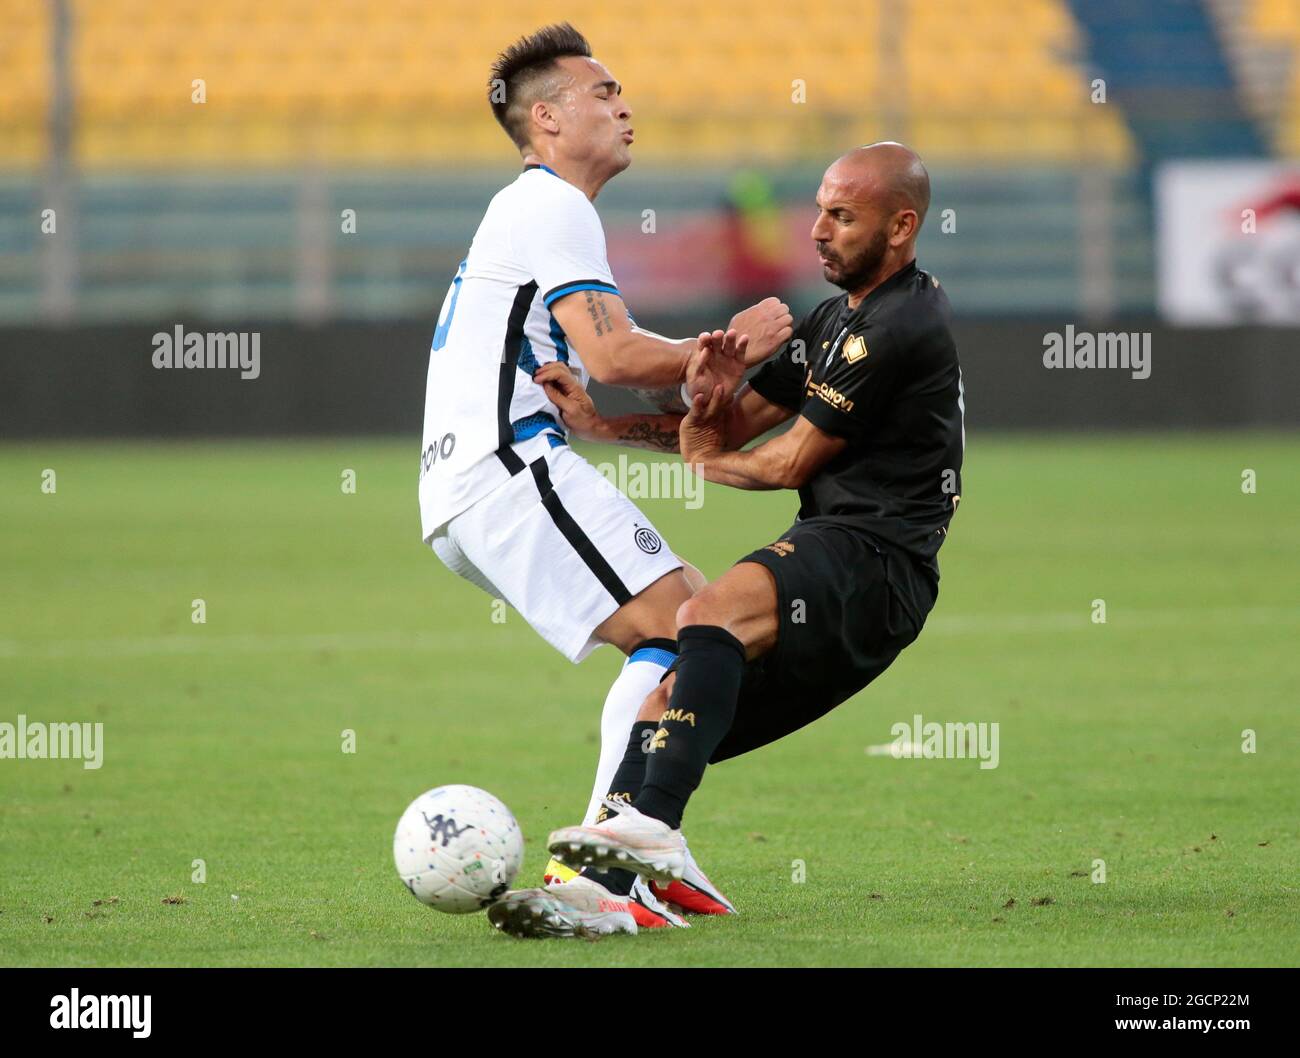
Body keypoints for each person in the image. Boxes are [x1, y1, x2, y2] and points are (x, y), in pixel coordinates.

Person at [490, 142, 965, 940]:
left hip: (880, 561)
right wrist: (608, 425)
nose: (817, 230)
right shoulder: (832, 320)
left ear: (902, 225)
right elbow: (731, 422)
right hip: (843, 560)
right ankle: (613, 894)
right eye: (818, 209)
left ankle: (654, 836)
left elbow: (786, 460)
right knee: (665, 704)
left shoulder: (900, 322)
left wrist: (707, 459)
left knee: (706, 612)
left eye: (842, 217)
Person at [419, 22, 792, 928]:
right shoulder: (549, 204)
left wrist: (680, 380)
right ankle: (600, 868)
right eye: (602, 92)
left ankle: (647, 856)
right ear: (545, 118)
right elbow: (616, 352)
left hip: (485, 478)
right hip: (506, 466)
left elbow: (605, 364)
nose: (624, 105)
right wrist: (731, 346)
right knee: (691, 627)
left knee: (697, 623)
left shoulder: (539, 211)